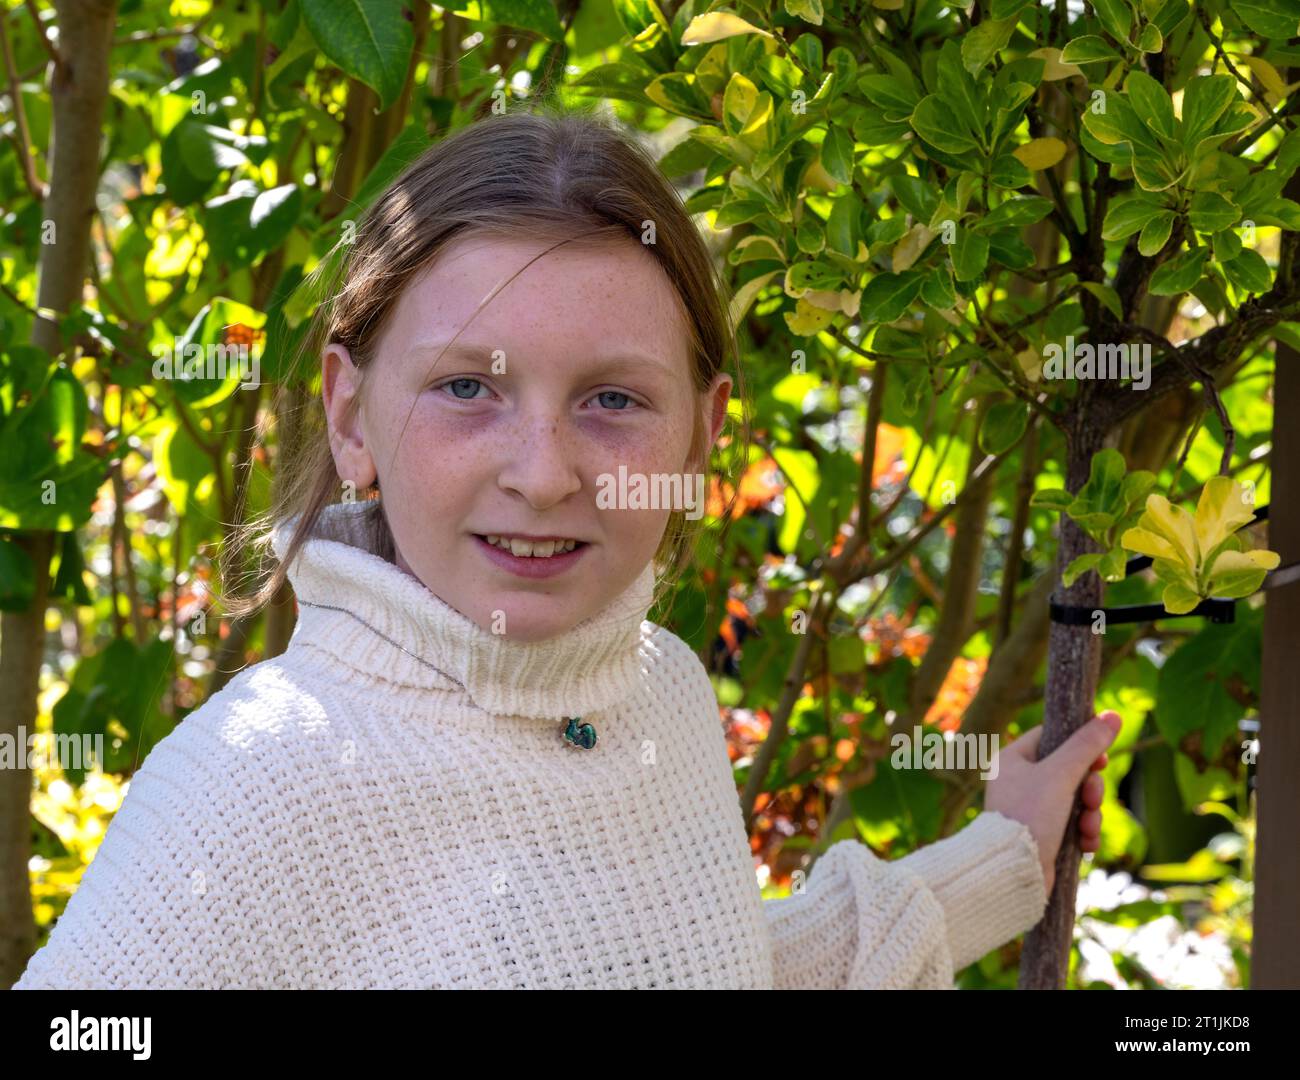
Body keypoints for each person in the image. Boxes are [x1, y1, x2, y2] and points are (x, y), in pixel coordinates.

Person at [13, 107, 1119, 990]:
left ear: (702, 431)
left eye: (612, 399)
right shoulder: (264, 780)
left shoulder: (659, 694)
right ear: (351, 419)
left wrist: (1003, 856)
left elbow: (704, 969)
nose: (543, 473)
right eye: (465, 387)